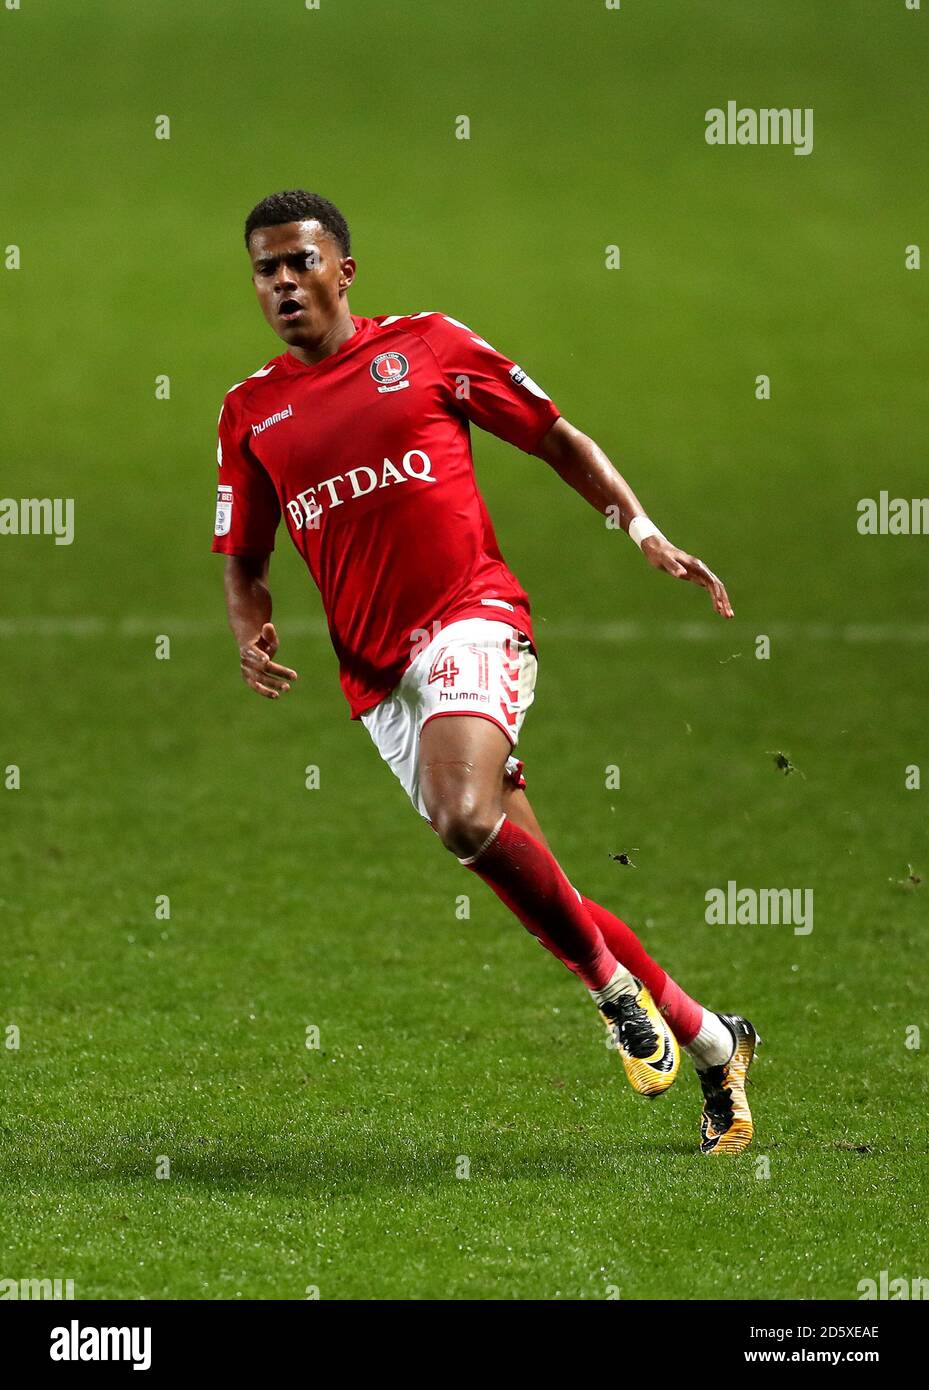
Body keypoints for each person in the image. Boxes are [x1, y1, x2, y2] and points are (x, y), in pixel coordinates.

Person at [212, 189, 759, 1155]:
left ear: (344, 270)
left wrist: (642, 528)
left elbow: (552, 433)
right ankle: (716, 1045)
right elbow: (244, 559)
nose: (285, 282)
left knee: (464, 817)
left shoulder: (424, 346)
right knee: (540, 883)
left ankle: (611, 995)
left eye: (302, 262)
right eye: (267, 268)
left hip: (472, 619)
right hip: (376, 677)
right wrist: (251, 630)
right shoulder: (251, 412)